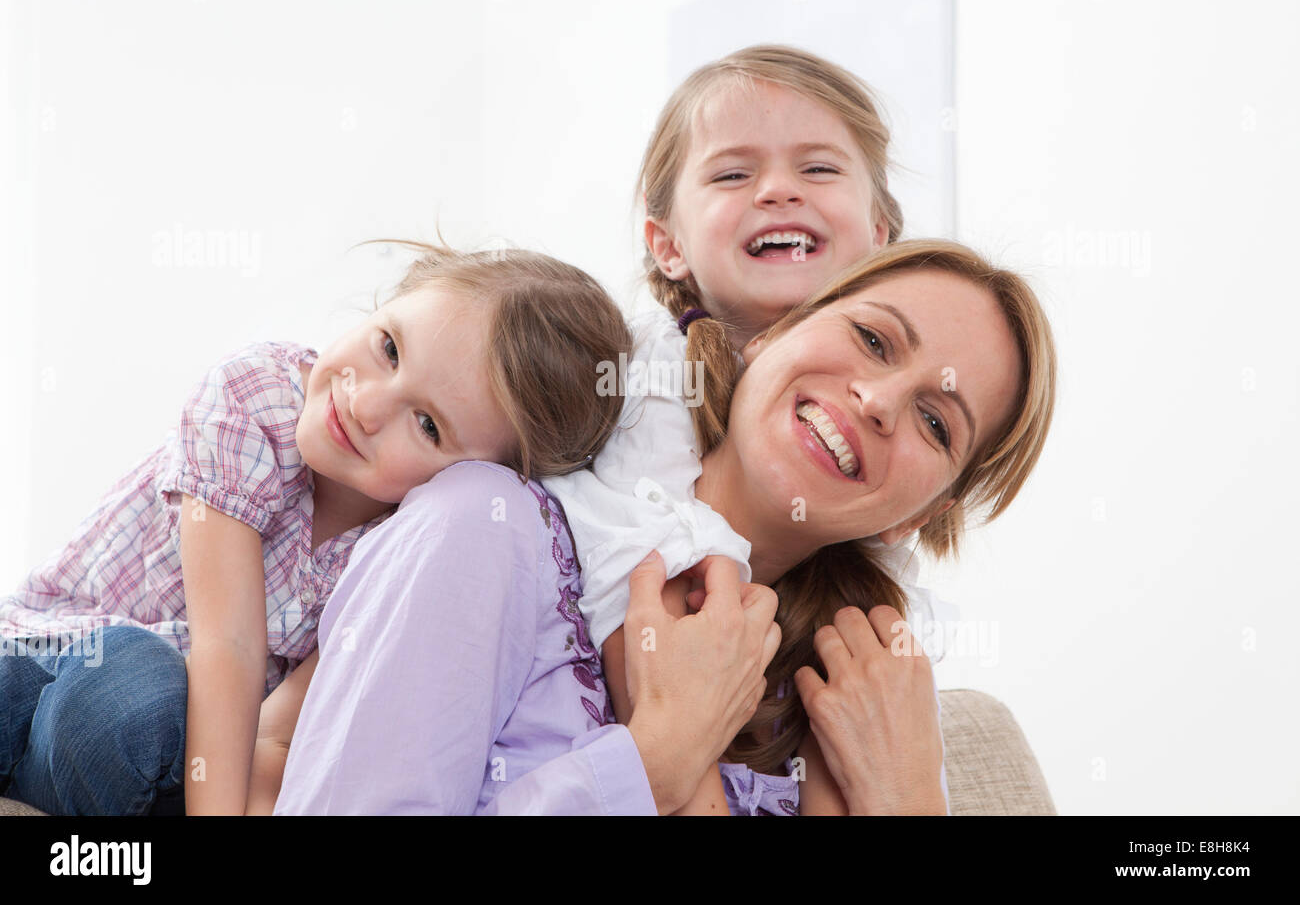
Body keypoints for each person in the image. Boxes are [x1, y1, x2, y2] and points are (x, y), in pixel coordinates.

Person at [270, 238, 1056, 815]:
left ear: (921, 514)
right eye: (874, 339)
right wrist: (655, 761)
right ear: (773, 334)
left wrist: (910, 799)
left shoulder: (868, 709)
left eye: (934, 421)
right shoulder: (485, 527)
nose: (880, 402)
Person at [0, 243, 630, 815]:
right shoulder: (257, 398)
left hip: (162, 739)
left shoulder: (404, 553)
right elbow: (231, 649)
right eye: (388, 348)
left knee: (161, 719)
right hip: (56, 652)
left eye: (429, 425)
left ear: (471, 480)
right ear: (391, 298)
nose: (365, 404)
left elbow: (275, 735)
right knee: (144, 687)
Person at [543, 44, 943, 811]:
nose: (779, 192)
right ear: (669, 245)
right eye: (733, 174)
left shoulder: (872, 441)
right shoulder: (648, 377)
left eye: (819, 170)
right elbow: (652, 593)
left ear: (881, 232)